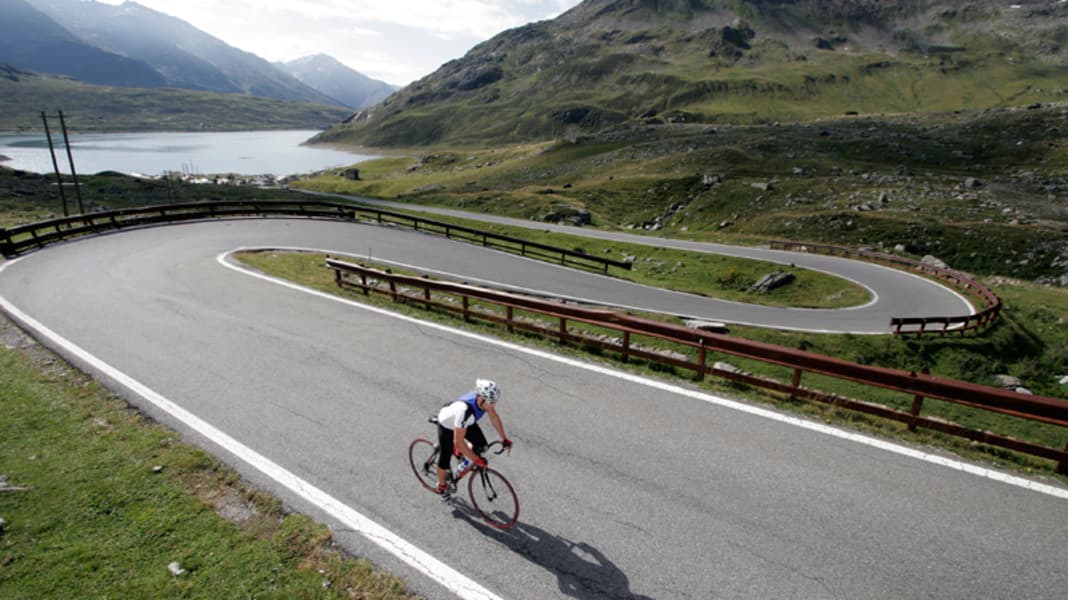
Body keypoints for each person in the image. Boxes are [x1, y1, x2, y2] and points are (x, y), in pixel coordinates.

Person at [436, 378, 512, 501]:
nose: (493, 405)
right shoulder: (465, 411)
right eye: (491, 402)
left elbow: (494, 418)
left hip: (466, 422)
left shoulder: (485, 402)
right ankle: (441, 486)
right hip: (447, 425)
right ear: (480, 398)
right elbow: (458, 442)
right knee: (445, 459)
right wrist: (476, 460)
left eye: (495, 402)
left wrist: (504, 439)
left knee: (482, 446)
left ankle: (461, 455)